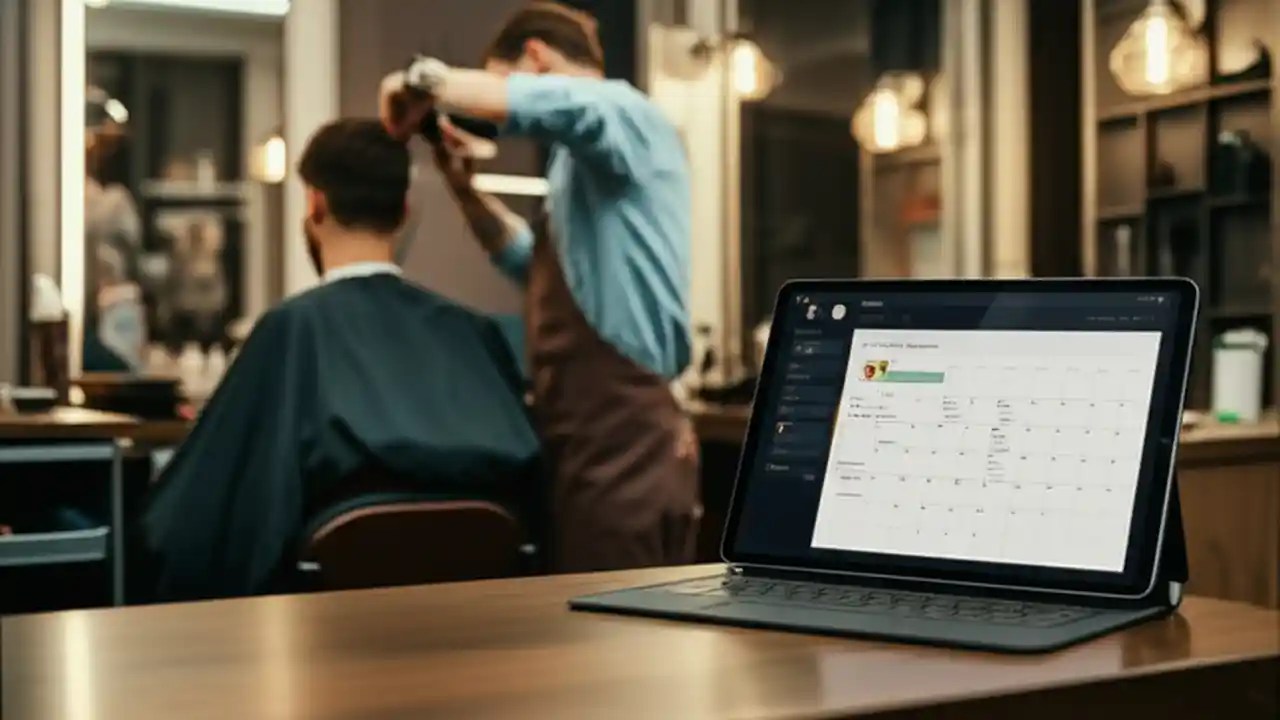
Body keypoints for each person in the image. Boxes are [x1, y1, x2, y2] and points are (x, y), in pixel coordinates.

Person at [140, 119, 540, 601]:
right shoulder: (473, 332)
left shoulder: (292, 331)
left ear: (315, 204)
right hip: (474, 633)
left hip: (324, 638)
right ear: (405, 212)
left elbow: (192, 526)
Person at [379, 2, 699, 572]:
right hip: (588, 439)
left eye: (503, 81)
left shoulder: (622, 111)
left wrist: (422, 82)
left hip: (627, 444)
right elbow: (536, 267)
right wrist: (463, 189)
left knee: (621, 644)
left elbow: (545, 105)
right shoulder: (584, 169)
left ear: (535, 57)